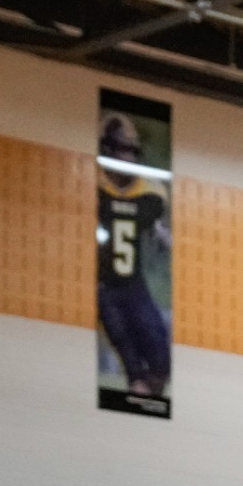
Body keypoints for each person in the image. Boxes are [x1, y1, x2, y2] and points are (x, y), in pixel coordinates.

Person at [96, 112, 172, 398]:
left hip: (135, 286)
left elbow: (149, 221)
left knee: (161, 366)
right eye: (121, 151)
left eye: (131, 151)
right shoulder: (96, 187)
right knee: (133, 370)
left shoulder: (149, 193)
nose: (127, 158)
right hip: (104, 288)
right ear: (107, 150)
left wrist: (160, 231)